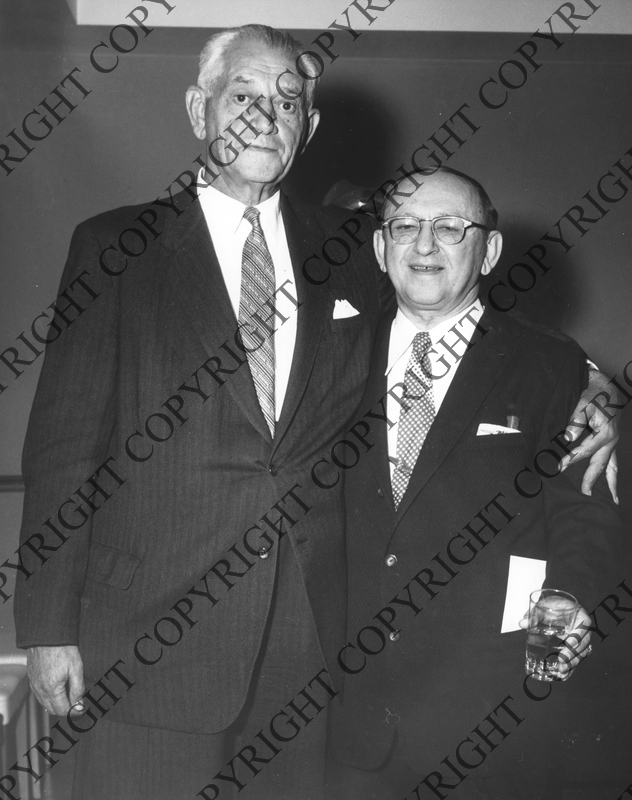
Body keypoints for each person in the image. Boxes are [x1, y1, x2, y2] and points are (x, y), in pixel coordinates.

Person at [13, 25, 619, 800]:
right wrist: (49, 627)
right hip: (147, 645)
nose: (267, 116)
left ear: (311, 126)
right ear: (199, 109)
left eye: (288, 100)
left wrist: (593, 383)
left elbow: (463, 315)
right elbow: (63, 447)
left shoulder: (352, 248)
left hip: (308, 652)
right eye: (245, 96)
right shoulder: (113, 247)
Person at [329, 167, 623, 799]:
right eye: (404, 226)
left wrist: (571, 594)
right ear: (380, 248)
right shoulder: (332, 353)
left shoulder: (551, 363)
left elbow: (584, 510)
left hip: (487, 719)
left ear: (488, 250)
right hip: (350, 719)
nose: (424, 245)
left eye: (449, 228)